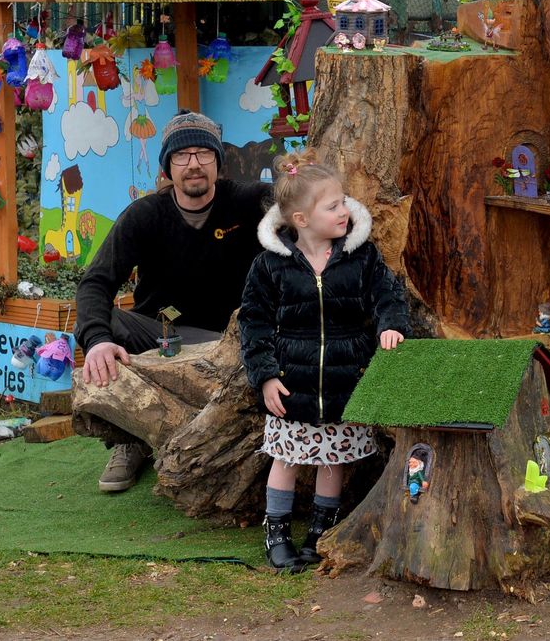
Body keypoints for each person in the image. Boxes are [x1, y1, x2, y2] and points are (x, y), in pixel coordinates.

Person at [75, 111, 269, 493]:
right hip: (163, 340)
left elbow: (295, 204)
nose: (193, 164)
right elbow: (96, 282)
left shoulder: (246, 203)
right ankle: (129, 439)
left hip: (232, 343)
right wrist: (96, 340)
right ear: (168, 166)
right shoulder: (144, 216)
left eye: (203, 153)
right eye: (182, 155)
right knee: (111, 326)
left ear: (217, 162)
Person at [238, 148, 410, 572]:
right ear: (301, 219)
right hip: (290, 382)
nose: (344, 211)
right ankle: (276, 531)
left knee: (332, 458)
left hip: (344, 379)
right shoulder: (269, 266)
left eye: (344, 202)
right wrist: (263, 377)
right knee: (287, 457)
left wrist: (391, 324)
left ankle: (321, 529)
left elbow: (387, 294)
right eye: (333, 206)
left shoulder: (361, 257)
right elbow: (254, 324)